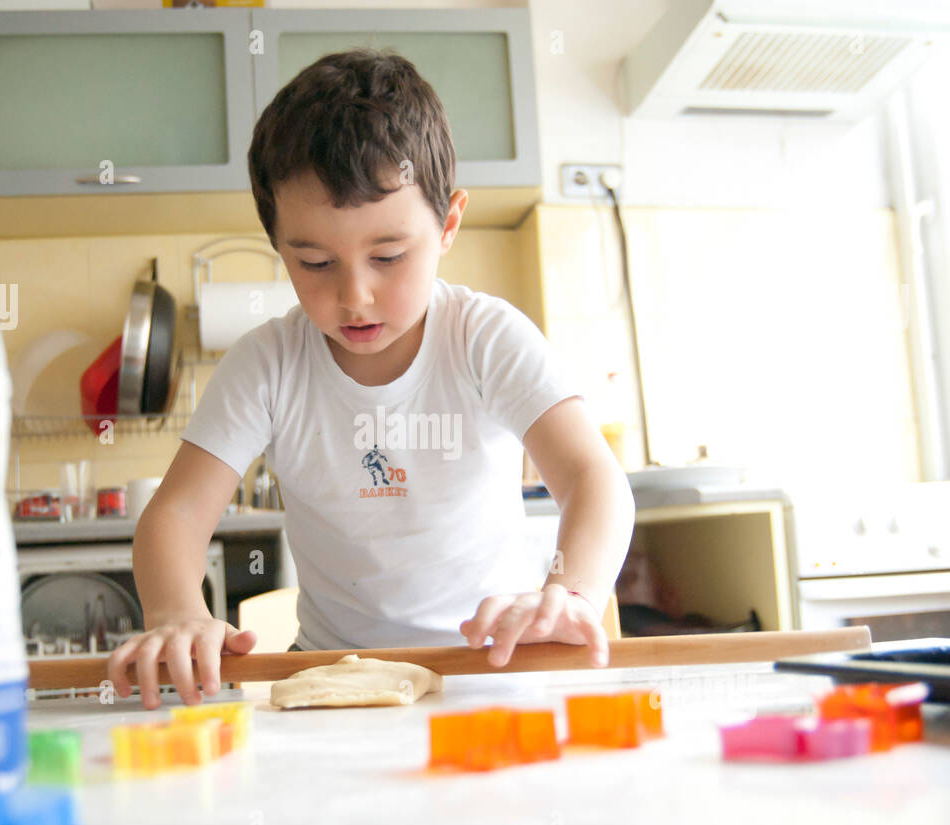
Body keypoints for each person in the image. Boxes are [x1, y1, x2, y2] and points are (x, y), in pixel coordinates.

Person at [108, 49, 634, 709]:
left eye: (388, 256)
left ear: (447, 225)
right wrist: (176, 612)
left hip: (492, 667)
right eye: (316, 262)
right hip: (335, 680)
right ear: (279, 247)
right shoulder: (267, 364)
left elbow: (594, 479)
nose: (354, 296)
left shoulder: (486, 338)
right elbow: (177, 512)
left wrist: (573, 592)